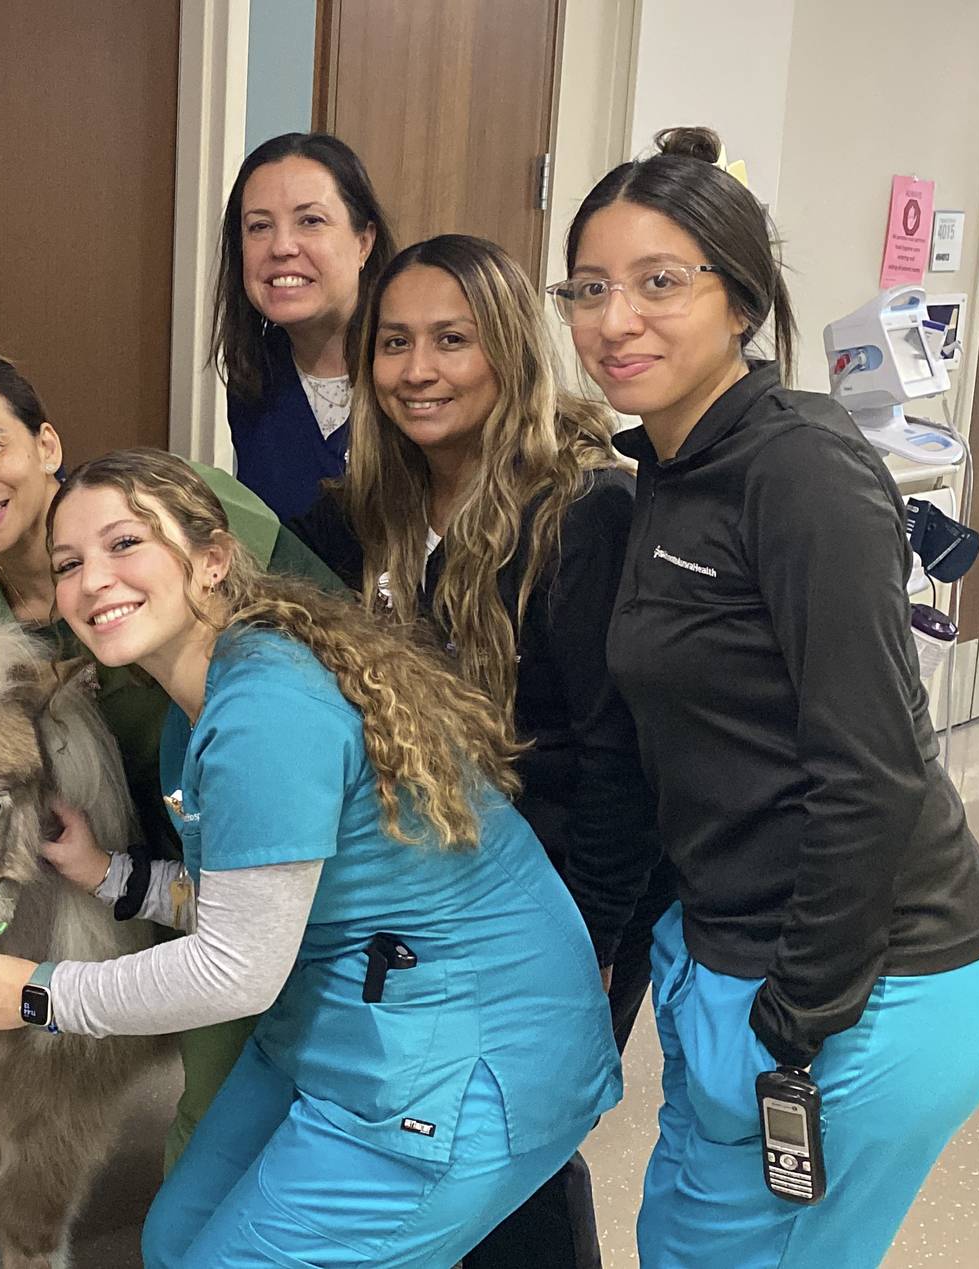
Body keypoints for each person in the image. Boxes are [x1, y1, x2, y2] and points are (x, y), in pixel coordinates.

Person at [0, 448, 622, 1267]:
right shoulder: (201, 708)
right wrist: (107, 874)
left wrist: (38, 994)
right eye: (69, 563)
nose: (93, 581)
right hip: (350, 1013)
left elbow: (235, 968)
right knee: (174, 1236)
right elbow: (249, 902)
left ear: (213, 557)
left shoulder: (263, 709)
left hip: (464, 1058)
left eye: (125, 544)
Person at [558, 126, 979, 1268]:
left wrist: (792, 1026)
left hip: (871, 981)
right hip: (739, 959)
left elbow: (873, 771)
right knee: (680, 1241)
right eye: (588, 288)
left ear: (742, 301)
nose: (615, 320)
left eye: (659, 283)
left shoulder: (798, 469)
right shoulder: (666, 470)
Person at [293, 232, 669, 1268]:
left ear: (508, 351)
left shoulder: (586, 513)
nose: (418, 371)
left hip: (566, 896)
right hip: (434, 888)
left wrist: (586, 940)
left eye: (452, 340)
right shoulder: (360, 516)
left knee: (513, 1143)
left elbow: (620, 763)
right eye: (395, 343)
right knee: (445, 1135)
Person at [0, 341, 340, 1170]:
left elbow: (336, 641)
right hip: (138, 872)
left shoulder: (177, 513)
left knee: (259, 1102)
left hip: (283, 847)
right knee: (213, 1132)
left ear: (46, 445)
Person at [211, 132, 395, 520]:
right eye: (259, 227)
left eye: (310, 221)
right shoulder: (255, 378)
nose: (282, 247)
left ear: (364, 242)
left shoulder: (412, 372)